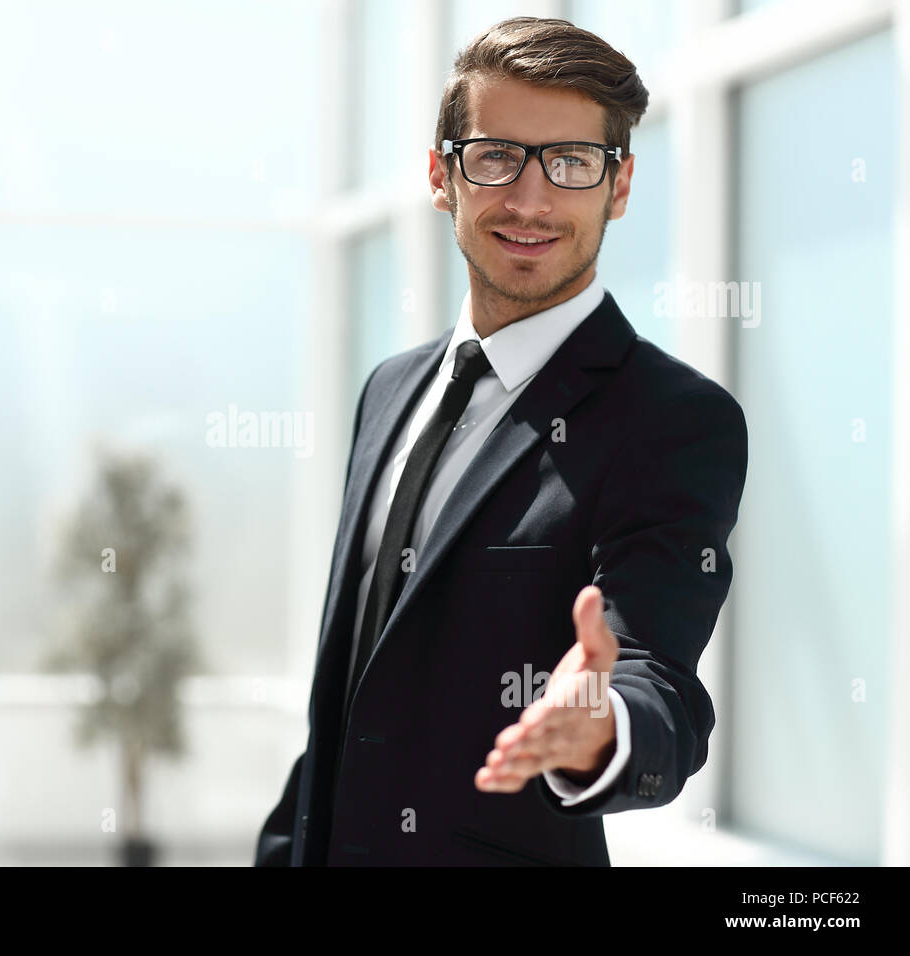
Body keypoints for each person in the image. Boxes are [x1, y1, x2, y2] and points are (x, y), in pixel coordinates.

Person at [255, 17, 749, 866]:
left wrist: (602, 726)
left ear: (619, 185)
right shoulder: (389, 390)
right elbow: (353, 691)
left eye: (571, 162)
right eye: (495, 157)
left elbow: (653, 672)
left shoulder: (671, 418)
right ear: (442, 176)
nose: (530, 200)